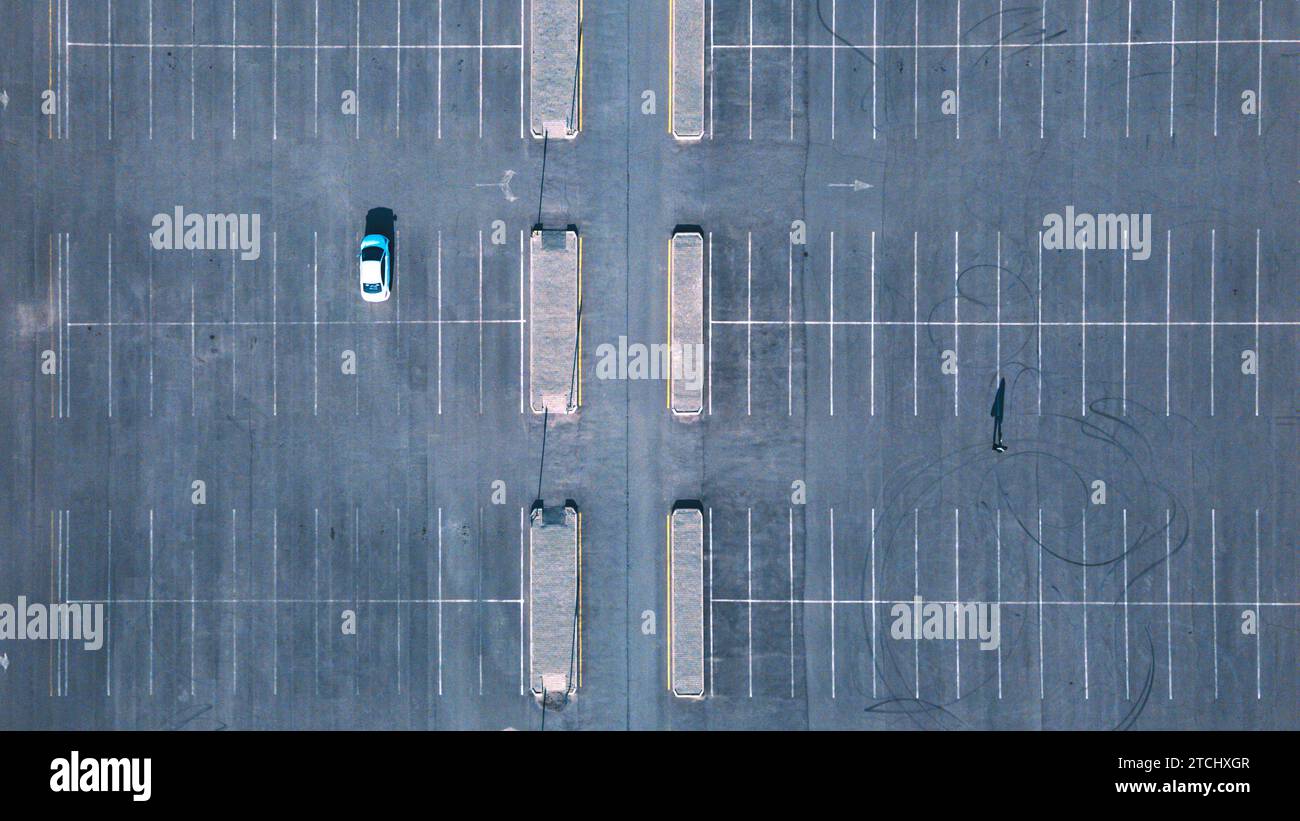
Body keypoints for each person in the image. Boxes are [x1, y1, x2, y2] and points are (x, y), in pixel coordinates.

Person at [990, 377, 1007, 452]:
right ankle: (998, 444)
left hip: (997, 413)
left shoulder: (999, 392)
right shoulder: (1001, 392)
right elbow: (998, 402)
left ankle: (997, 444)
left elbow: (996, 401)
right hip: (998, 414)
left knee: (997, 429)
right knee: (998, 429)